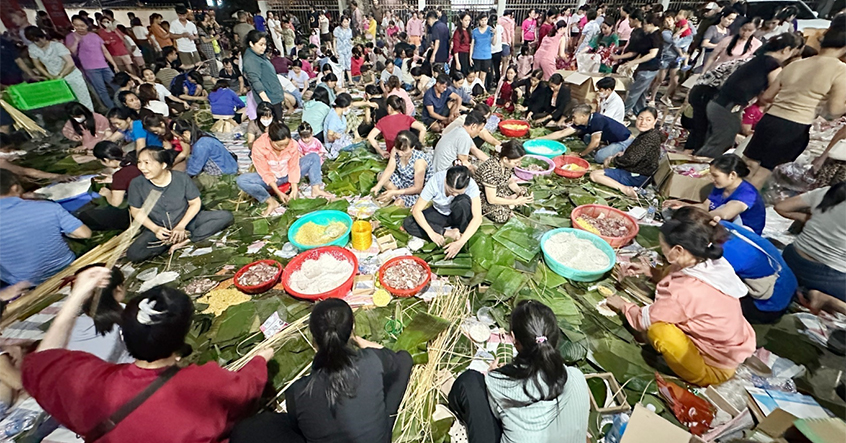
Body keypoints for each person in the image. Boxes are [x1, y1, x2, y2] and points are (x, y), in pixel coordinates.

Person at [21, 267, 272, 442]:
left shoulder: (89, 383)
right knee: (262, 428)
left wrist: (77, 296)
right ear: (181, 340)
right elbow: (246, 391)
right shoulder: (201, 382)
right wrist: (260, 359)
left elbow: (42, 361)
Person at [230, 298, 412, 443]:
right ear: (351, 331)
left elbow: (300, 427)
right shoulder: (372, 360)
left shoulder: (298, 392)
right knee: (402, 362)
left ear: (313, 340)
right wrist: (363, 343)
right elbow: (400, 360)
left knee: (247, 430)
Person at [604, 215, 756, 386]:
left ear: (678, 250)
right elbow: (675, 270)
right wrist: (651, 272)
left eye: (663, 247)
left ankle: (700, 377)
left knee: (659, 331)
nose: (661, 250)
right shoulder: (707, 261)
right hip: (732, 342)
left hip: (715, 365)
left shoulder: (685, 290)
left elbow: (644, 320)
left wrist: (624, 306)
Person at [449, 300, 589, 443]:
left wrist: (495, 376)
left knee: (470, 382)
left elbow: (493, 412)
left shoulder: (499, 383)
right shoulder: (576, 376)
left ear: (514, 339)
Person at [744, 19, 846, 188]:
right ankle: (736, 208)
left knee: (748, 167)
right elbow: (834, 111)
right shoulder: (840, 70)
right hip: (794, 127)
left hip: (769, 120)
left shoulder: (796, 64)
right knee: (762, 174)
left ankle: (721, 202)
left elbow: (767, 96)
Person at [672, 207, 798, 324]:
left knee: (694, 297)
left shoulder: (722, 254)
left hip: (770, 305)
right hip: (789, 283)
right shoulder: (722, 226)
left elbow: (696, 278)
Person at [697, 33, 799, 158]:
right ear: (786, 49)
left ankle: (692, 170)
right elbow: (770, 94)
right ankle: (692, 172)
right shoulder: (773, 65)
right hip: (727, 108)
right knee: (718, 146)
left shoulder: (759, 58)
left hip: (718, 104)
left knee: (714, 142)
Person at [126, 147, 233, 262]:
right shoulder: (137, 184)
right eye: (140, 163)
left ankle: (188, 238)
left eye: (147, 163)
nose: (142, 167)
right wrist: (156, 229)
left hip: (187, 222)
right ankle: (169, 241)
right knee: (134, 254)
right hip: (160, 228)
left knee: (225, 216)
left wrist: (181, 226)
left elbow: (195, 203)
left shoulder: (181, 178)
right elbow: (136, 210)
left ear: (163, 165)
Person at [0, 171, 92, 286]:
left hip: (23, 282)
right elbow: (85, 234)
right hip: (66, 267)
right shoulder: (48, 207)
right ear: (15, 188)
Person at [237, 122, 331, 217]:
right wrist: (278, 192)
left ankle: (316, 189)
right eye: (279, 145)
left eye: (286, 144)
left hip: (288, 175)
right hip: (271, 179)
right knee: (242, 180)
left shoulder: (293, 144)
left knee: (314, 157)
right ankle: (270, 201)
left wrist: (294, 188)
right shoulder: (259, 146)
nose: (283, 148)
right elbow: (265, 172)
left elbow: (293, 167)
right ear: (270, 140)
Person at [775, 183, 846, 307]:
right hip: (827, 275)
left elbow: (781, 207)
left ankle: (806, 291)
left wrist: (809, 219)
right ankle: (827, 299)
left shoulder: (829, 191)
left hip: (792, 257)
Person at [665, 154, 766, 235]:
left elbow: (725, 214)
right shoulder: (720, 186)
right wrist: (683, 205)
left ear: (732, 175)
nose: (711, 179)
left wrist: (693, 215)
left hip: (743, 235)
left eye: (715, 175)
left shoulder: (747, 193)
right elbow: (706, 206)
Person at [403, 165, 483, 259]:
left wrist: (460, 243)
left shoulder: (471, 185)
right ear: (445, 180)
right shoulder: (436, 181)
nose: (454, 195)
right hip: (440, 212)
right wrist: (432, 233)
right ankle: (450, 233)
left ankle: (461, 233)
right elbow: (417, 210)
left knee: (461, 201)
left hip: (460, 215)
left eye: (458, 192)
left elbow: (477, 218)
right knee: (409, 222)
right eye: (451, 191)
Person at [590, 107, 662, 197]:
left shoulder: (650, 137)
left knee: (594, 175)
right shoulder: (649, 134)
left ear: (655, 121)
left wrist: (613, 159)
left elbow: (631, 159)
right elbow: (636, 153)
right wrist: (622, 155)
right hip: (637, 171)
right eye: (640, 118)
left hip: (637, 176)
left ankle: (625, 189)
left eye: (648, 120)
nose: (643, 122)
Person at [77, 141, 141, 231]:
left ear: (106, 160)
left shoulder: (120, 175)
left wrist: (107, 193)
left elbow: (116, 203)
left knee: (84, 216)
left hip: (134, 213)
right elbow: (131, 178)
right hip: (148, 201)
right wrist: (113, 180)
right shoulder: (134, 160)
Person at [26, 27, 94, 111]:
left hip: (72, 76)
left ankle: (91, 118)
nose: (38, 43)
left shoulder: (57, 46)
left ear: (43, 36)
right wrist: (49, 76)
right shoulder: (32, 48)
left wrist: (60, 75)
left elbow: (70, 63)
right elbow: (37, 64)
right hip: (55, 79)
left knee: (84, 101)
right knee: (69, 104)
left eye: (39, 40)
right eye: (34, 41)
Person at [543, 104, 633, 163]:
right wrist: (540, 139)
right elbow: (562, 133)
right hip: (609, 140)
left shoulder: (597, 120)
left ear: (583, 116)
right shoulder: (582, 122)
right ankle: (605, 147)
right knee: (586, 137)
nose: (573, 120)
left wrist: (580, 154)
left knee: (599, 157)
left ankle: (619, 153)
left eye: (574, 117)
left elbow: (595, 142)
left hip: (624, 141)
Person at [66, 15, 119, 109]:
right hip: (90, 68)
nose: (79, 28)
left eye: (82, 25)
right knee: (102, 90)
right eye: (76, 25)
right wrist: (76, 42)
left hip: (104, 65)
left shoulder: (94, 35)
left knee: (116, 85)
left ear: (87, 25)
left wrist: (114, 64)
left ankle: (121, 104)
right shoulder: (71, 37)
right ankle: (113, 108)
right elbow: (71, 53)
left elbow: (105, 51)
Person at [474, 140, 533, 223]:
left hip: (499, 188)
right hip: (484, 195)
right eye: (516, 162)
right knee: (501, 216)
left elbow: (509, 180)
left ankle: (508, 202)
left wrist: (518, 191)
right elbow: (491, 199)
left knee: (526, 192)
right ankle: (508, 204)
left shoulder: (505, 164)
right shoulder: (490, 170)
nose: (519, 164)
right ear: (505, 159)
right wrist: (515, 201)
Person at [618, 12, 662, 118]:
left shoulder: (656, 36)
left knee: (634, 92)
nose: (643, 27)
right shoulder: (649, 35)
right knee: (641, 92)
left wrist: (634, 62)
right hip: (644, 67)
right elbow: (642, 52)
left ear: (651, 24)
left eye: (645, 24)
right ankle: (640, 112)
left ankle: (620, 114)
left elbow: (652, 54)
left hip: (649, 68)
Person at [170, 119, 238, 177]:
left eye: (178, 137)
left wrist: (181, 177)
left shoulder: (201, 145)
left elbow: (194, 170)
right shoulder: (204, 135)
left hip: (224, 174)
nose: (179, 139)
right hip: (230, 167)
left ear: (186, 134)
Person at [243, 30, 287, 119]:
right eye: (260, 44)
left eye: (265, 44)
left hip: (273, 94)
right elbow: (254, 80)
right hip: (269, 98)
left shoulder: (259, 55)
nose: (263, 47)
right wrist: (265, 99)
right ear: (251, 44)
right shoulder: (250, 59)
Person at [470, 14, 494, 87]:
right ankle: (475, 91)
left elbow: (494, 43)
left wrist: (495, 33)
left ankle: (481, 92)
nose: (483, 22)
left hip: (486, 56)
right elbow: (472, 44)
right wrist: (470, 57)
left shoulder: (490, 30)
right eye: (482, 20)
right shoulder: (475, 31)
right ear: (479, 21)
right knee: (475, 76)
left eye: (485, 20)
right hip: (476, 56)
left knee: (483, 77)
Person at [334, 16, 354, 82]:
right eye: (344, 22)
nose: (346, 23)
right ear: (341, 22)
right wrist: (335, 52)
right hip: (340, 50)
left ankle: (350, 80)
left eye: (347, 22)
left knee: (348, 65)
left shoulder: (349, 30)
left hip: (348, 50)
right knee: (341, 66)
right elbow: (334, 41)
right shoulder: (337, 30)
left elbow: (350, 40)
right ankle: (342, 81)